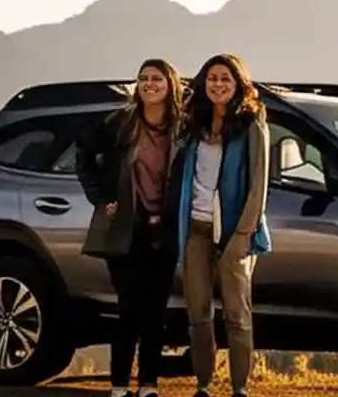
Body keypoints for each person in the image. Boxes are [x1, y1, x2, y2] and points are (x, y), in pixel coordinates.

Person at [75, 58, 185, 397]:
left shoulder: (181, 128)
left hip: (163, 231)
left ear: (171, 86)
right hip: (126, 230)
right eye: (143, 79)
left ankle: (149, 385)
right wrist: (101, 196)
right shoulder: (120, 123)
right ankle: (120, 385)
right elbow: (83, 154)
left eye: (156, 79)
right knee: (129, 310)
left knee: (155, 313)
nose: (149, 84)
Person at [169, 53, 272, 397]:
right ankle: (202, 385)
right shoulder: (193, 125)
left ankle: (240, 388)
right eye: (212, 78)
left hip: (234, 233)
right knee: (198, 313)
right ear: (203, 83)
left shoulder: (251, 123)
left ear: (238, 84)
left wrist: (244, 234)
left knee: (236, 314)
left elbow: (259, 183)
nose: (218, 84)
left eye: (225, 78)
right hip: (196, 229)